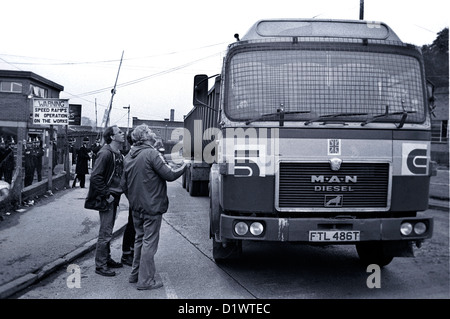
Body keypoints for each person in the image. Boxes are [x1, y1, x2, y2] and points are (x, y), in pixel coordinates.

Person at [121, 124, 186, 290]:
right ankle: (146, 281)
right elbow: (170, 175)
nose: (153, 134)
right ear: (145, 137)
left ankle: (135, 275)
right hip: (152, 206)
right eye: (150, 132)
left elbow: (124, 184)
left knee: (139, 240)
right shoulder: (151, 153)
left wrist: (134, 200)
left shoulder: (129, 155)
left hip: (136, 208)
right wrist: (184, 166)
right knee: (149, 243)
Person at [85, 125, 125, 277]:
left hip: (114, 197)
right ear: (112, 137)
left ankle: (106, 259)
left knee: (109, 230)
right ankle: (100, 265)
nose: (123, 133)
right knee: (106, 232)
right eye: (120, 132)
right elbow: (95, 177)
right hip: (107, 198)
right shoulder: (105, 153)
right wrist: (107, 195)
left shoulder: (118, 153)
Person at [120, 132, 136, 266]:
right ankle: (126, 254)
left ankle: (131, 251)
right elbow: (123, 182)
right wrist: (130, 196)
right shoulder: (130, 156)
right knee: (132, 224)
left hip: (136, 195)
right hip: (135, 196)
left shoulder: (131, 155)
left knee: (134, 225)